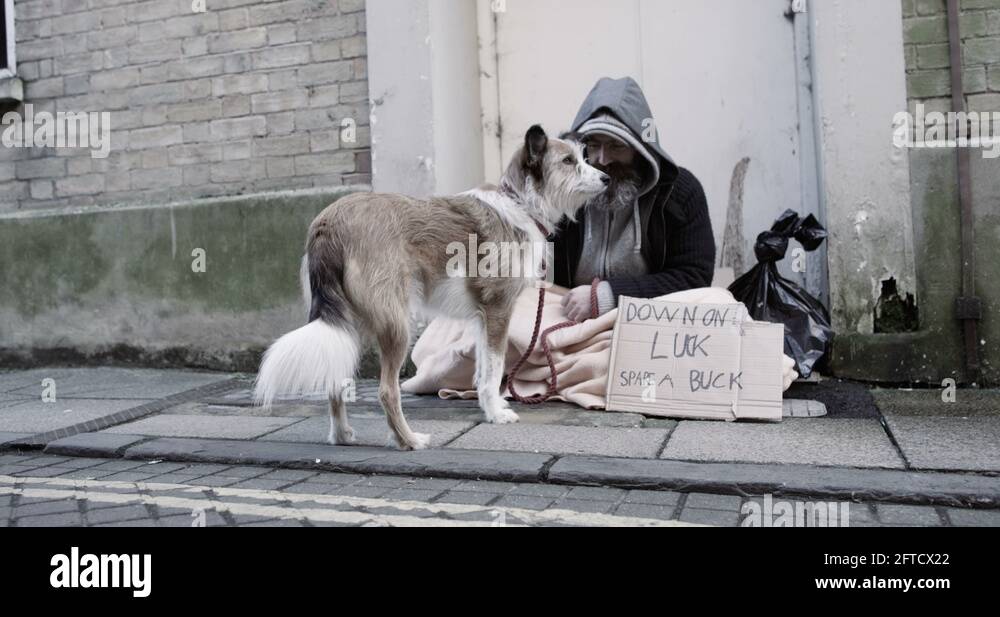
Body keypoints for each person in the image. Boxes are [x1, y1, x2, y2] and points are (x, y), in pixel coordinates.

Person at [554, 77, 717, 322]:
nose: (602, 159)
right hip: (570, 319)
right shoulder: (559, 190)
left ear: (641, 149)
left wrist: (608, 296)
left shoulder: (679, 191)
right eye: (593, 144)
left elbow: (694, 277)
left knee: (718, 299)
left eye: (616, 146)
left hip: (650, 326)